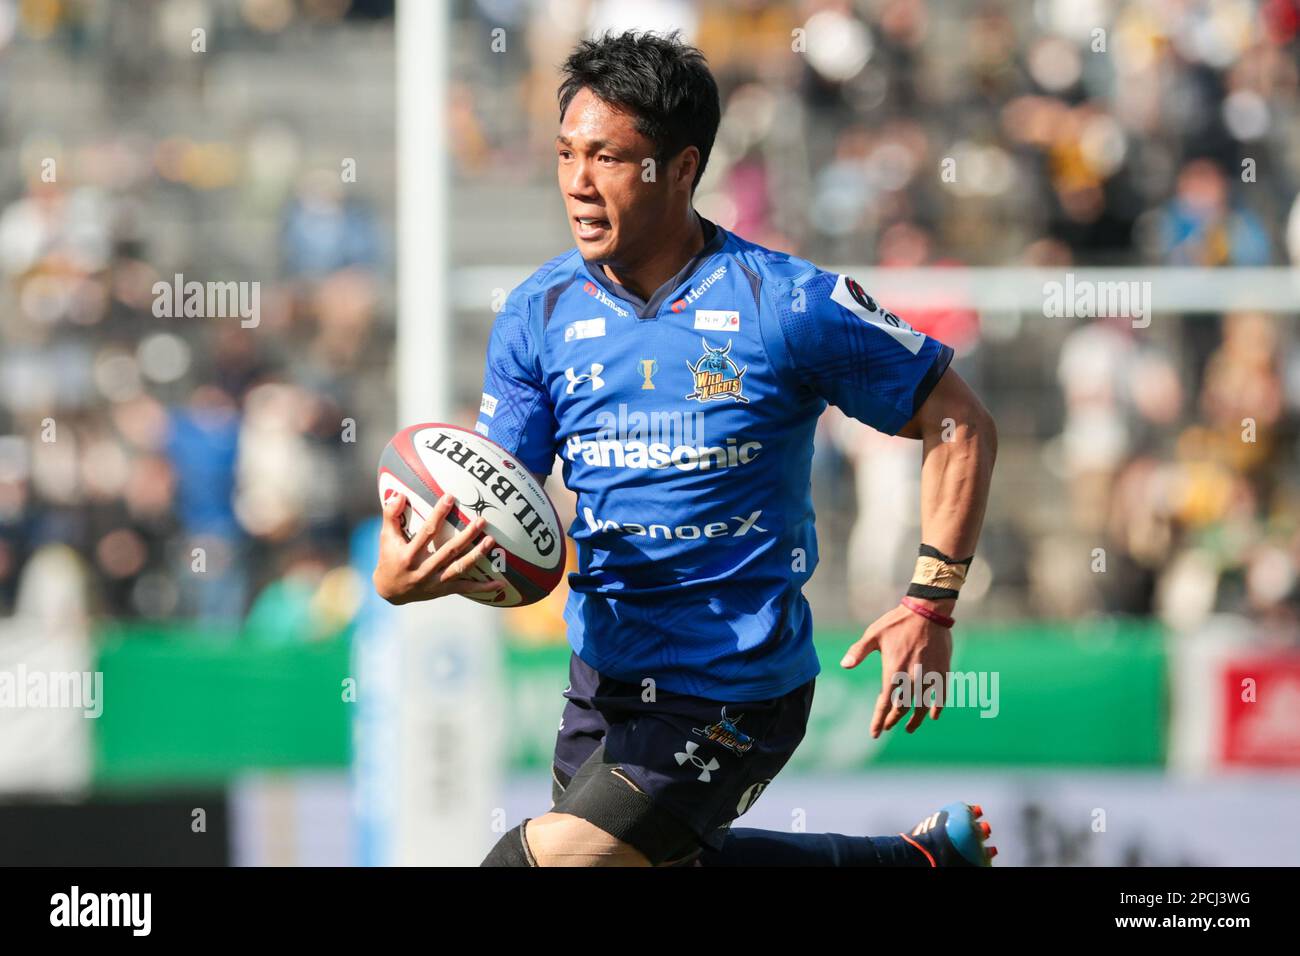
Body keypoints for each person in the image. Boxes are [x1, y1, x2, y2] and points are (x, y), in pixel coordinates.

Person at [372, 30, 998, 867]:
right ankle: (916, 865)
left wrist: (930, 603)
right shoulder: (537, 314)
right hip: (603, 678)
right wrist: (406, 572)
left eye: (607, 158)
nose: (578, 184)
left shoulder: (788, 304)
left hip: (734, 688)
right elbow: (499, 510)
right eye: (565, 154)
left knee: (533, 866)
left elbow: (958, 422)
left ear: (681, 166)